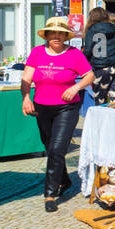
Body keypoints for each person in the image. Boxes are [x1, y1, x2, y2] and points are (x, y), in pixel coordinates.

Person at [22, 18, 95, 212]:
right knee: (50, 147)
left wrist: (76, 87)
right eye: (53, 33)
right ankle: (64, 180)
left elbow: (90, 75)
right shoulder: (37, 53)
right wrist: (26, 98)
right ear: (46, 35)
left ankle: (50, 194)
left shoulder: (74, 54)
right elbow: (26, 78)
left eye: (61, 33)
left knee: (57, 149)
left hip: (67, 107)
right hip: (41, 107)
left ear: (65, 36)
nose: (57, 37)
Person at [81, 7, 115, 105]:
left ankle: (101, 120)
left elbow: (87, 50)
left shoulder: (91, 30)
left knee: (100, 99)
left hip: (100, 69)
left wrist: (84, 61)